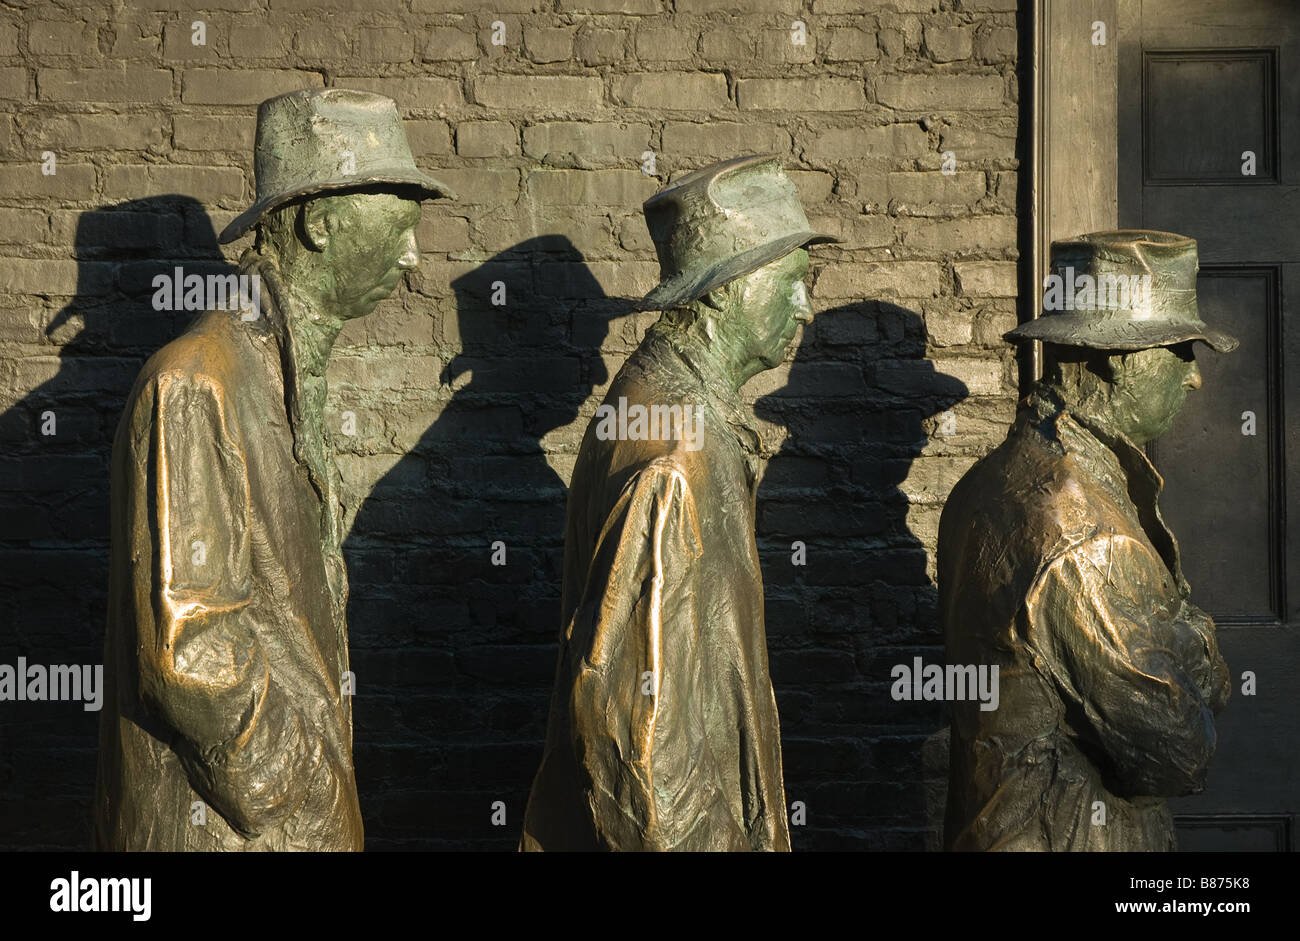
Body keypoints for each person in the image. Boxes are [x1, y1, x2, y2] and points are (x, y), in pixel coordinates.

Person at [93, 88, 454, 851]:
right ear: (320, 224)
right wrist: (314, 798)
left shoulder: (277, 375)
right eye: (399, 224)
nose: (415, 258)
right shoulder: (196, 382)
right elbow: (192, 652)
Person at [521, 154, 838, 851]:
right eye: (792, 282)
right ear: (728, 288)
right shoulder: (674, 456)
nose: (806, 306)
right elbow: (638, 742)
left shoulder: (680, 419)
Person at [940, 230, 1235, 851]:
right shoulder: (1086, 533)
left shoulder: (989, 479)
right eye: (1182, 350)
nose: (1194, 380)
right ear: (1122, 357)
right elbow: (1176, 750)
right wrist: (1198, 640)